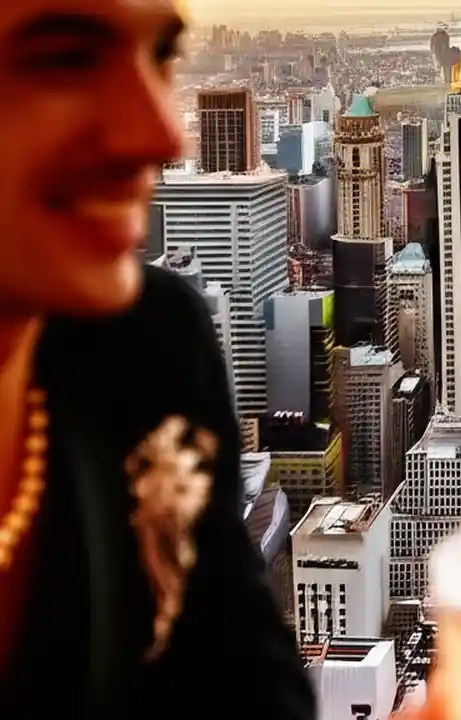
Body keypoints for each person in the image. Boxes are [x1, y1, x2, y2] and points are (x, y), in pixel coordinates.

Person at [0, 1, 314, 717]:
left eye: (160, 55)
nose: (161, 133)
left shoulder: (152, 348)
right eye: (64, 57)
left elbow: (244, 689)